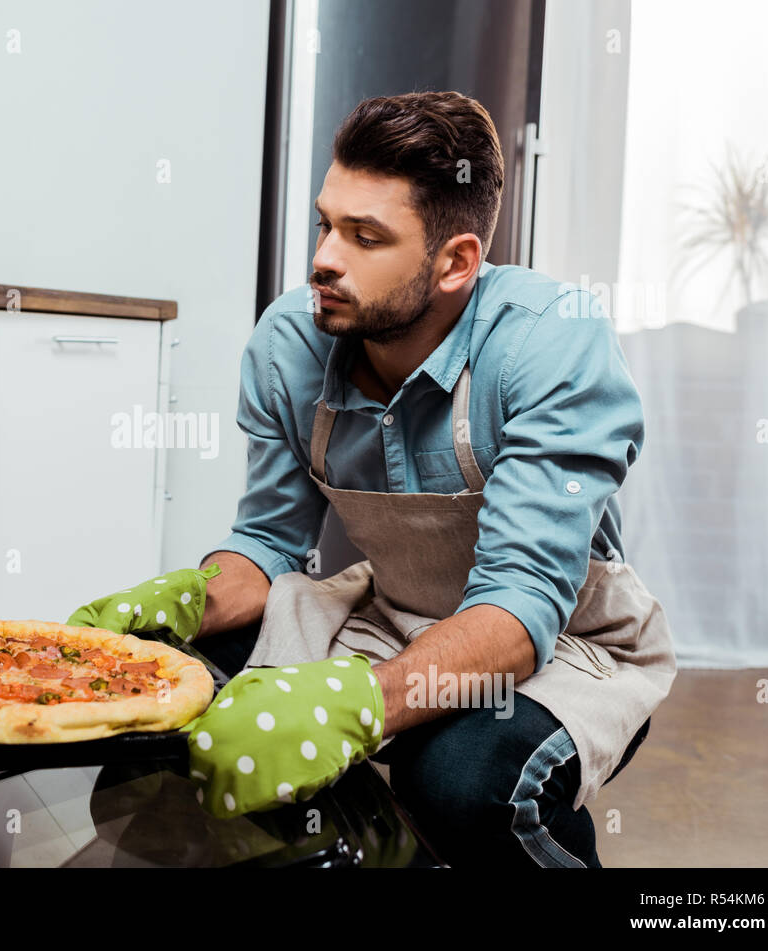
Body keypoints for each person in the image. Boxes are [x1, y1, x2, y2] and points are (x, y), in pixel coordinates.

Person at [69, 91, 676, 868]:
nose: (324, 257)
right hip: (388, 615)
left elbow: (522, 605)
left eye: (365, 237)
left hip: (565, 646)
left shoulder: (550, 345)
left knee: (457, 778)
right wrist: (190, 599)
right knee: (163, 706)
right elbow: (266, 541)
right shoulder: (290, 341)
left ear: (456, 262)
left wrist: (355, 707)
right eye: (326, 223)